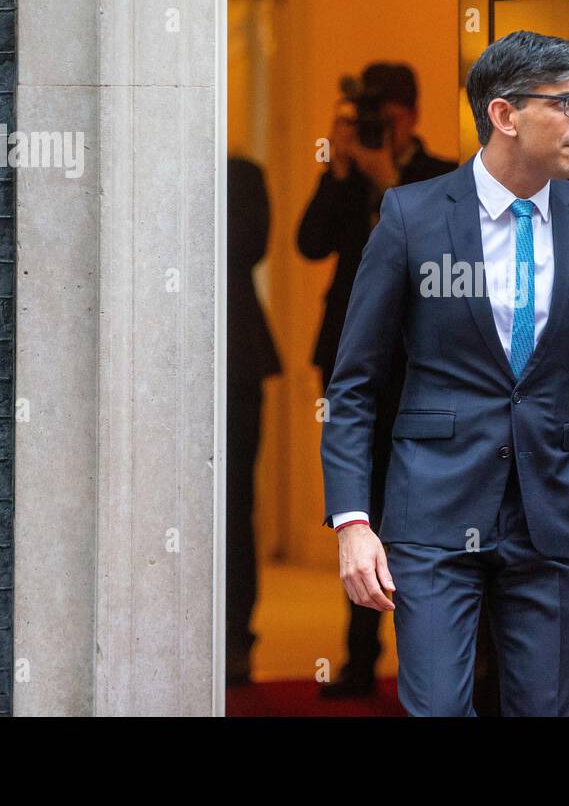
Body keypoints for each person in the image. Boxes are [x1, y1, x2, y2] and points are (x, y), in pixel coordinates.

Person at [320, 31, 569, 716]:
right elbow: (354, 384)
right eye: (568, 104)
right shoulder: (411, 216)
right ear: (505, 115)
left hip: (553, 521)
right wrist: (352, 520)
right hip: (433, 517)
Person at [296, 63, 457, 697]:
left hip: (419, 368)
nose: (374, 130)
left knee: (417, 510)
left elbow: (446, 259)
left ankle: (425, 662)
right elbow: (308, 244)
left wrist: (389, 180)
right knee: (354, 509)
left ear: (411, 117)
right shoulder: (346, 174)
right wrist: (339, 170)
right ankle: (359, 661)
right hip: (349, 361)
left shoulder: (440, 175)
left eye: (384, 118)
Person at [226, 156, 283, 685]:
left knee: (235, 505)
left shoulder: (241, 173)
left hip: (238, 360)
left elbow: (249, 246)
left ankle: (235, 642)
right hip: (162, 354)